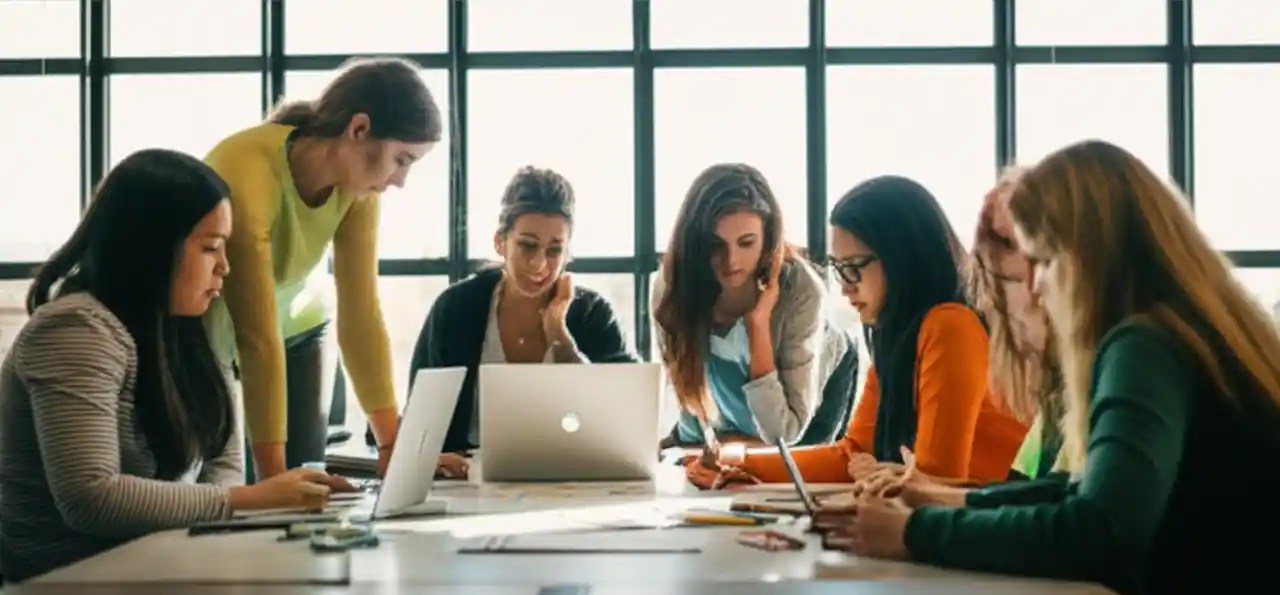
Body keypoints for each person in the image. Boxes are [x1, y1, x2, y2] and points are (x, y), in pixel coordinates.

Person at [839, 140, 1280, 595]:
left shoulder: (1145, 345)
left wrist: (912, 534)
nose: (1034, 285)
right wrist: (949, 504)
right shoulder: (1184, 328)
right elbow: (1083, 490)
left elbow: (1099, 531)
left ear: (1092, 254)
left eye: (1043, 261)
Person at [0, 150, 350, 583]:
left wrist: (243, 501)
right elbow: (90, 498)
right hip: (62, 593)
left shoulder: (187, 327)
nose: (225, 266)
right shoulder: (75, 329)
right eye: (210, 248)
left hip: (158, 572)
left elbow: (222, 464)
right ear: (150, 248)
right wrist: (250, 499)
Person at [693, 175, 1027, 488]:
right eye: (839, 269)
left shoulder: (951, 326)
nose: (845, 288)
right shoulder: (898, 334)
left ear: (901, 260)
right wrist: (737, 461)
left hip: (982, 533)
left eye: (853, 268)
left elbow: (936, 483)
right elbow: (853, 454)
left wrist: (891, 476)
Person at [204, 56, 443, 483]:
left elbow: (361, 313)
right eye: (401, 160)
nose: (400, 181)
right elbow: (255, 336)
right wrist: (274, 480)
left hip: (297, 328)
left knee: (306, 490)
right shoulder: (248, 168)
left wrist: (395, 447)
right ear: (359, 129)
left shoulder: (360, 192)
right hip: (213, 331)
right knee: (239, 486)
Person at [407, 166, 636, 463]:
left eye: (555, 250)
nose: (540, 264)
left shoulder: (592, 313)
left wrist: (559, 334)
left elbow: (627, 414)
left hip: (574, 472)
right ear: (500, 242)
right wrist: (433, 458)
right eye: (527, 245)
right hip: (469, 477)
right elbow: (420, 418)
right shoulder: (456, 308)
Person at [868, 168, 1067, 509]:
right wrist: (925, 491)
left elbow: (1072, 521)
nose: (1008, 312)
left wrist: (919, 523)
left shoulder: (951, 325)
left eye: (1011, 282)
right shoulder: (1059, 392)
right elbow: (1025, 494)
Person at [654, 163, 857, 459]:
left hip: (807, 398)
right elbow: (691, 407)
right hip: (735, 408)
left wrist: (758, 326)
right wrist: (705, 446)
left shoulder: (803, 289)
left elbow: (783, 434)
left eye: (746, 243)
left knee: (784, 471)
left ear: (768, 240)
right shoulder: (670, 287)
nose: (731, 260)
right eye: (715, 244)